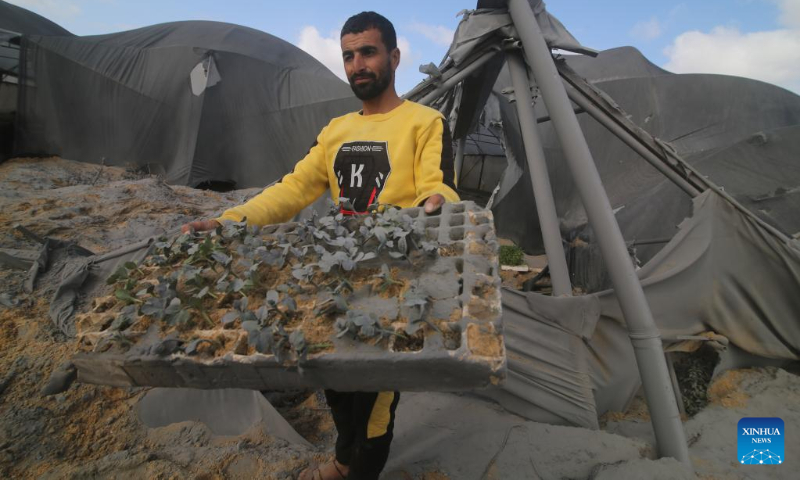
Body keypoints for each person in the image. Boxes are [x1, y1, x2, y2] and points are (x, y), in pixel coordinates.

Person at [182, 11, 459, 480]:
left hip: (390, 288)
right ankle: (341, 459)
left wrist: (438, 200)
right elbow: (291, 189)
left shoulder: (425, 123)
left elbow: (438, 186)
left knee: (374, 406)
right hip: (336, 279)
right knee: (335, 381)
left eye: (368, 52)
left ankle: (354, 468)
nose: (357, 65)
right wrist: (228, 221)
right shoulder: (335, 131)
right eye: (349, 56)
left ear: (394, 56)